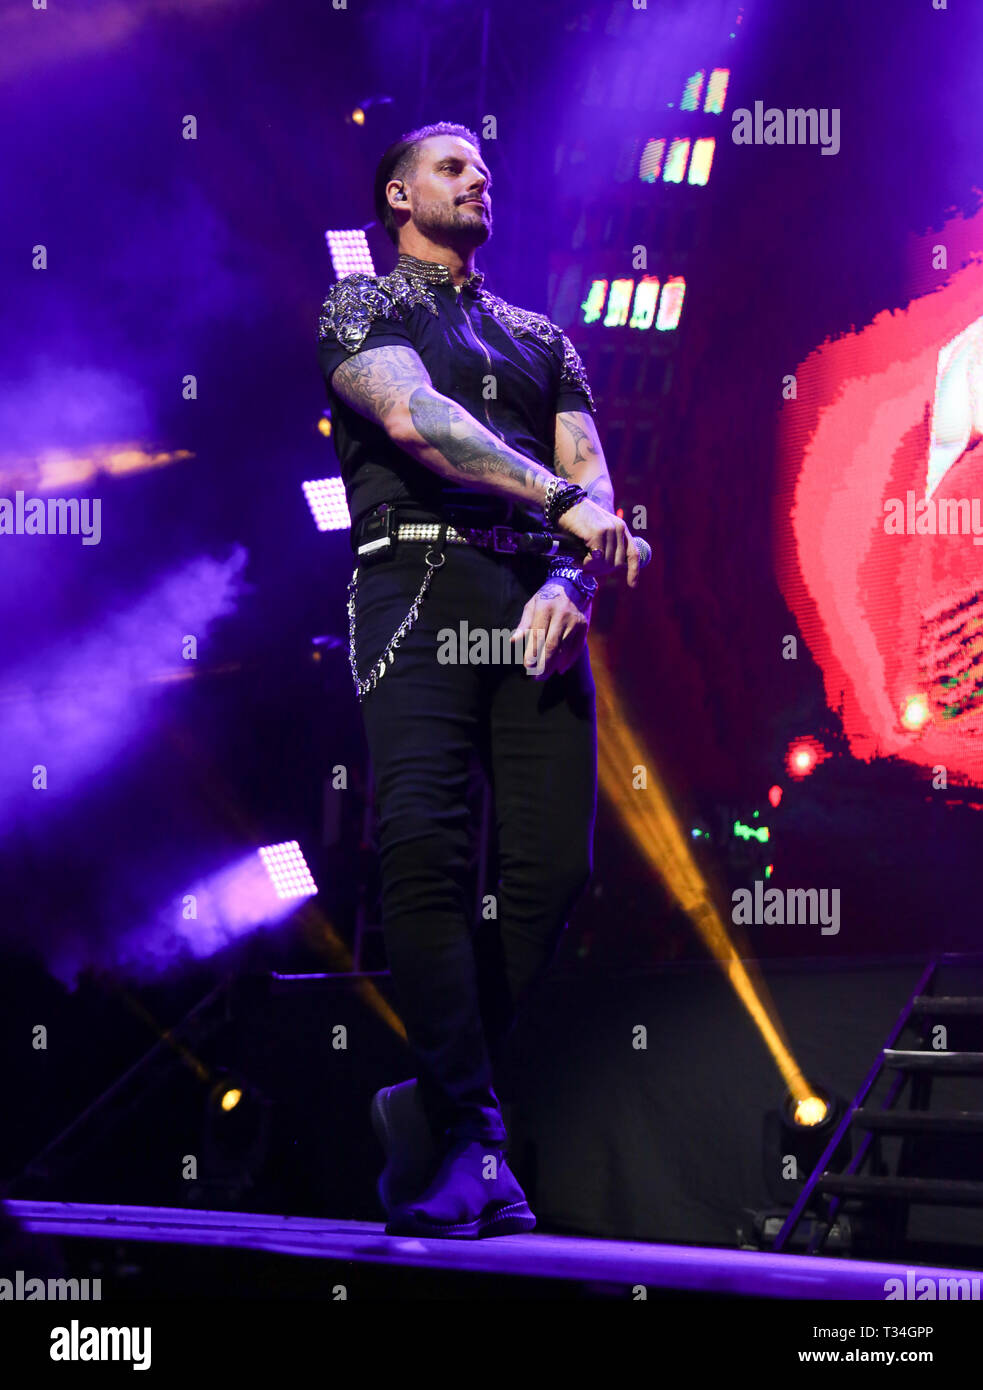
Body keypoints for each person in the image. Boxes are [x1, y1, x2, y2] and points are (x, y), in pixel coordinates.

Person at [316, 121, 643, 1238]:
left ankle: (436, 1098)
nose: (477, 178)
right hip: (415, 589)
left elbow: (593, 478)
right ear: (398, 196)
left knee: (554, 871)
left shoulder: (541, 336)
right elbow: (417, 419)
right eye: (451, 167)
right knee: (425, 848)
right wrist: (562, 507)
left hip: (533, 607)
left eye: (483, 168)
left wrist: (573, 578)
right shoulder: (361, 304)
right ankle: (471, 1135)